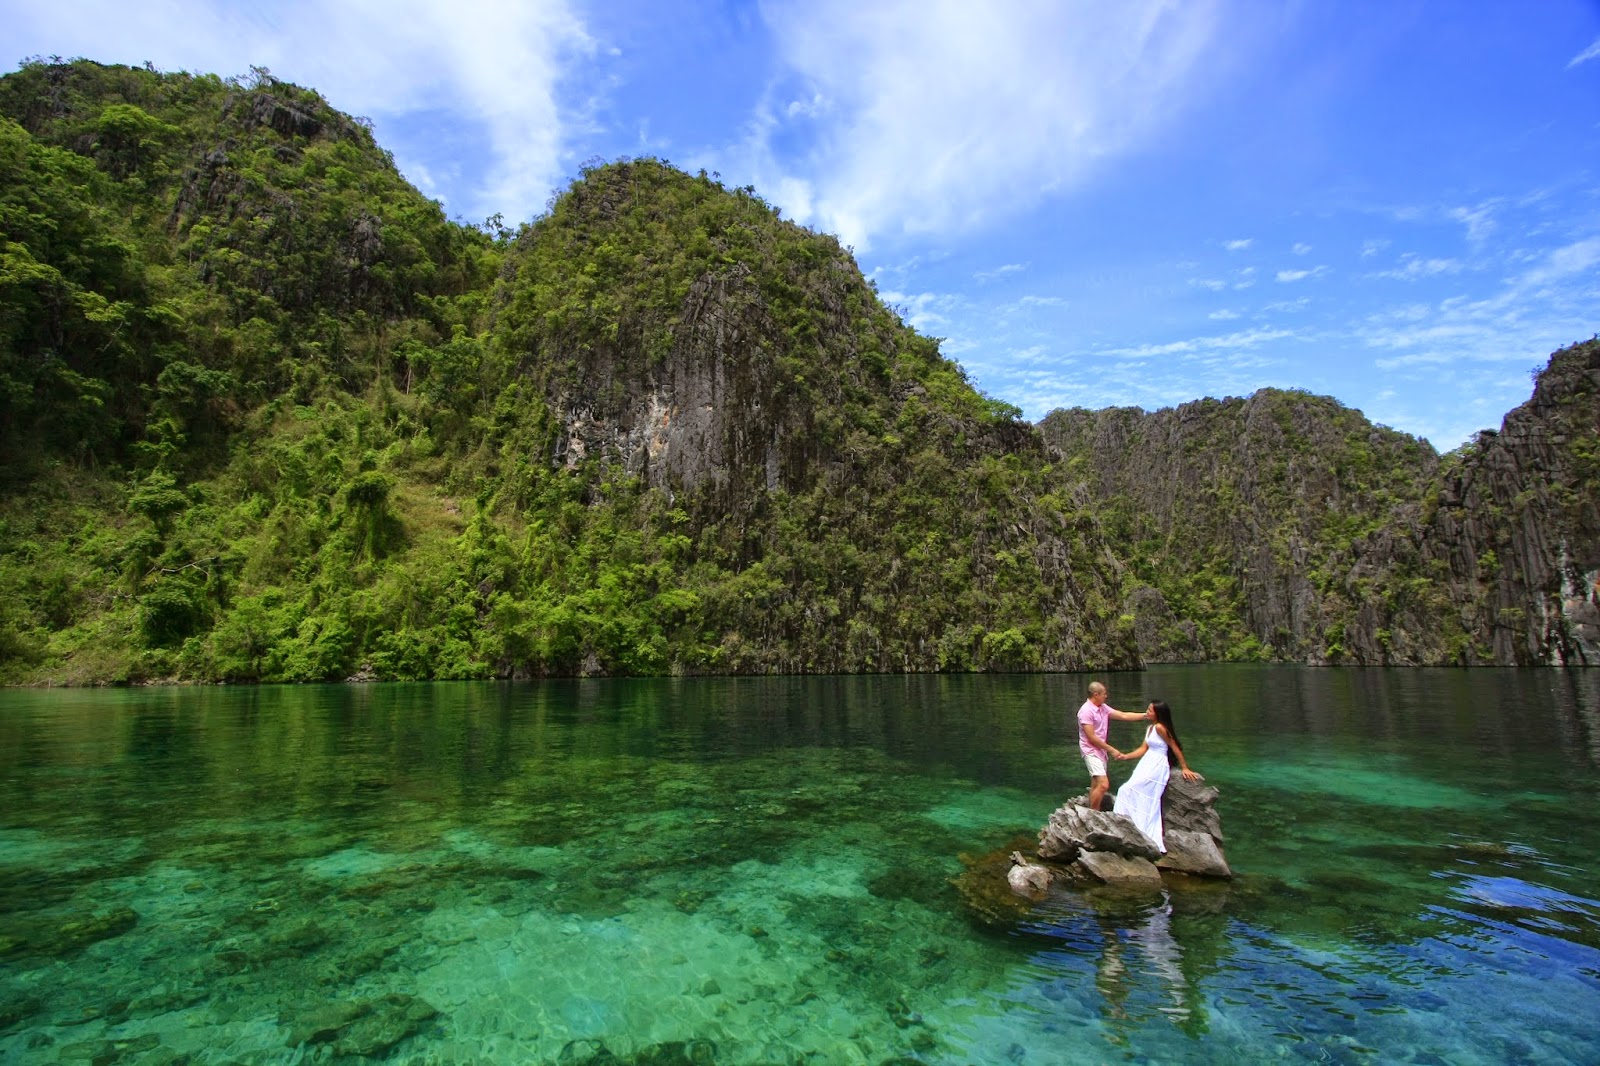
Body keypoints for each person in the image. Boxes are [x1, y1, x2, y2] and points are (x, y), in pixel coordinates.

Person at [1113, 700, 1203, 853]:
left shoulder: (1160, 728)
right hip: (1146, 763)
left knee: (1134, 792)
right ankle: (1127, 826)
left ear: (1158, 713)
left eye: (1150, 710)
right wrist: (1126, 756)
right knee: (1125, 789)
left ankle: (1142, 832)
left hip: (1157, 765)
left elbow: (1174, 746)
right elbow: (1143, 749)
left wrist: (1184, 767)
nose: (1147, 712)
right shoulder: (1150, 728)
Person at [1077, 681, 1152, 811]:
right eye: (1104, 694)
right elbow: (1092, 737)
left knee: (1096, 783)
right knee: (1103, 784)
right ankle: (1093, 814)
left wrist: (1145, 716)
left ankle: (1092, 810)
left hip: (1100, 751)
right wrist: (1111, 749)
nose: (1106, 696)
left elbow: (1123, 715)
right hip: (1091, 751)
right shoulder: (1085, 711)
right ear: (1096, 695)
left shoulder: (1103, 708)